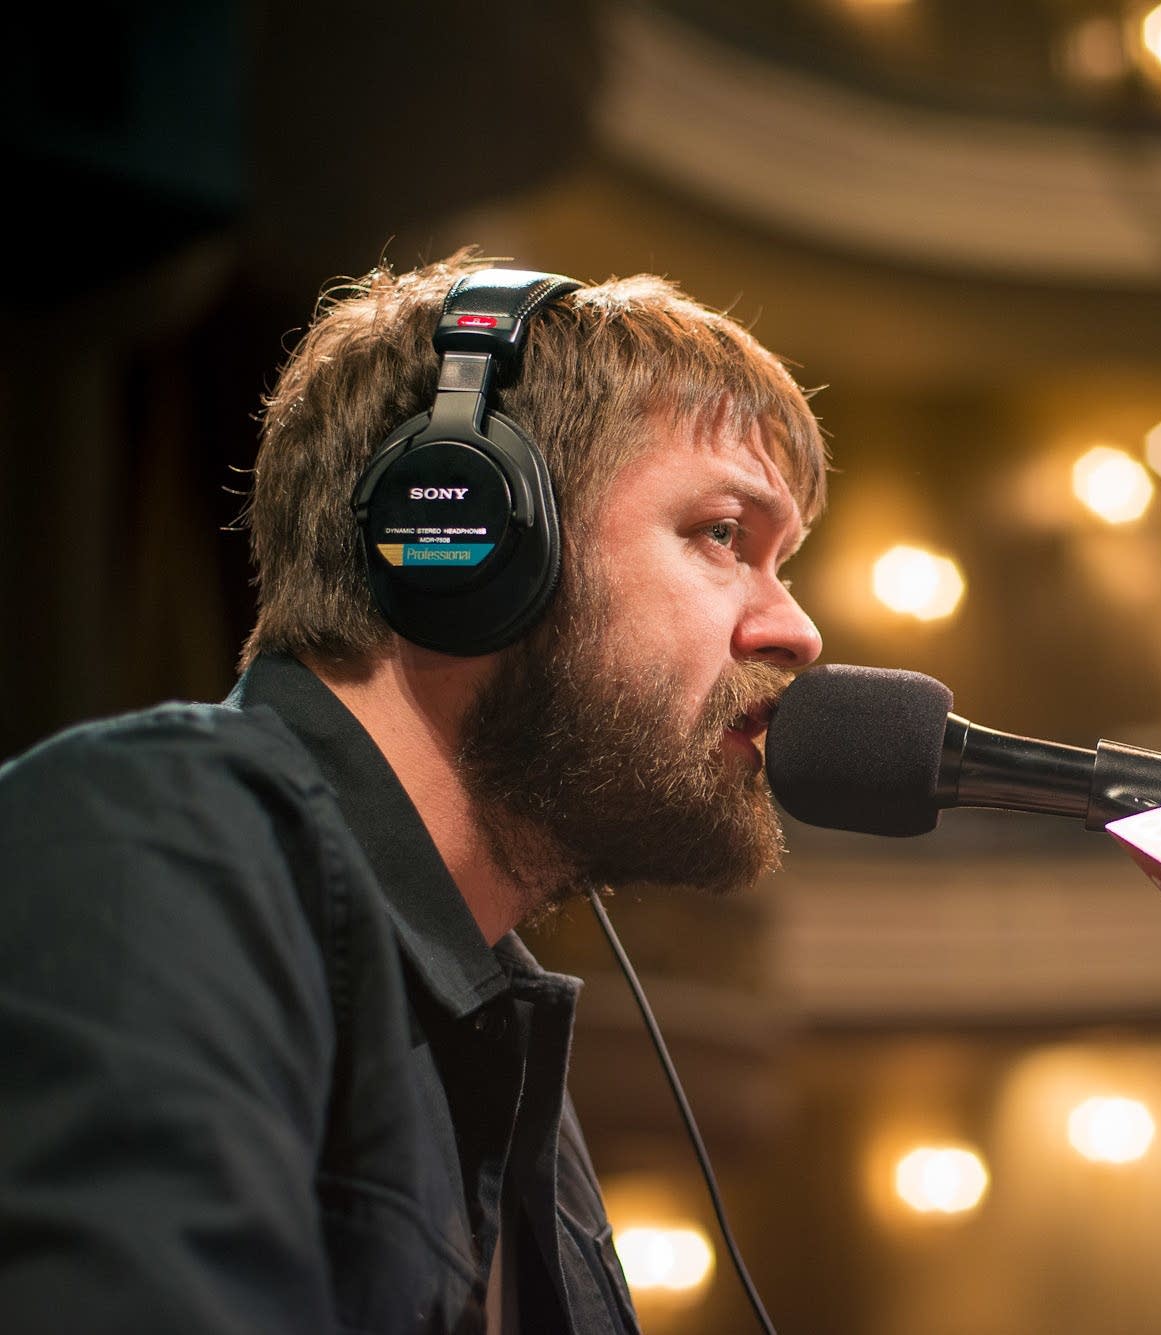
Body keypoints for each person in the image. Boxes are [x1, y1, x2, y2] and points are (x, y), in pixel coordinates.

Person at [0, 255, 827, 1334]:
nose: (795, 632)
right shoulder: (161, 842)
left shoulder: (517, 1094)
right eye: (724, 536)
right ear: (469, 535)